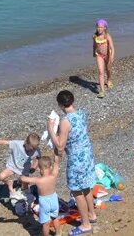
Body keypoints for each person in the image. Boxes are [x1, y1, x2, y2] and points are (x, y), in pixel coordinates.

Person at [48, 90, 97, 235]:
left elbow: (60, 145)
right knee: (86, 185)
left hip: (76, 159)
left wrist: (50, 129)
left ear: (60, 105)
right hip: (87, 154)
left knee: (77, 191)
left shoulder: (65, 121)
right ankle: (92, 214)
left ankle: (85, 224)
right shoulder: (81, 113)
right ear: (72, 101)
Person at [0, 133, 40, 200]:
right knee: (1, 176)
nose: (31, 151)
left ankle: (23, 190)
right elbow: (4, 142)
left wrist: (34, 166)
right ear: (26, 143)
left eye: (33, 149)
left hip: (24, 169)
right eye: (30, 149)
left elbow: (38, 158)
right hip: (12, 166)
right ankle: (10, 184)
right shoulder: (17, 144)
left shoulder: (36, 150)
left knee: (25, 187)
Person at [20, 153, 60, 236]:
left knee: (45, 224)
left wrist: (20, 177)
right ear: (50, 167)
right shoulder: (54, 175)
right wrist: (56, 157)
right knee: (55, 218)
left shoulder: (37, 180)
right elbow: (56, 164)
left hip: (44, 202)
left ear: (38, 169)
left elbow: (24, 178)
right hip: (54, 200)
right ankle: (58, 233)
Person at [93, 20, 115, 99]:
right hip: (99, 55)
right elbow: (94, 45)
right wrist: (93, 53)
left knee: (108, 69)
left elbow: (112, 48)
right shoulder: (95, 36)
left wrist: (111, 57)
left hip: (107, 55)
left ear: (105, 28)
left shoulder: (107, 36)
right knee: (100, 72)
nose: (99, 29)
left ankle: (109, 80)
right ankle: (102, 91)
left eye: (101, 27)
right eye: (98, 27)